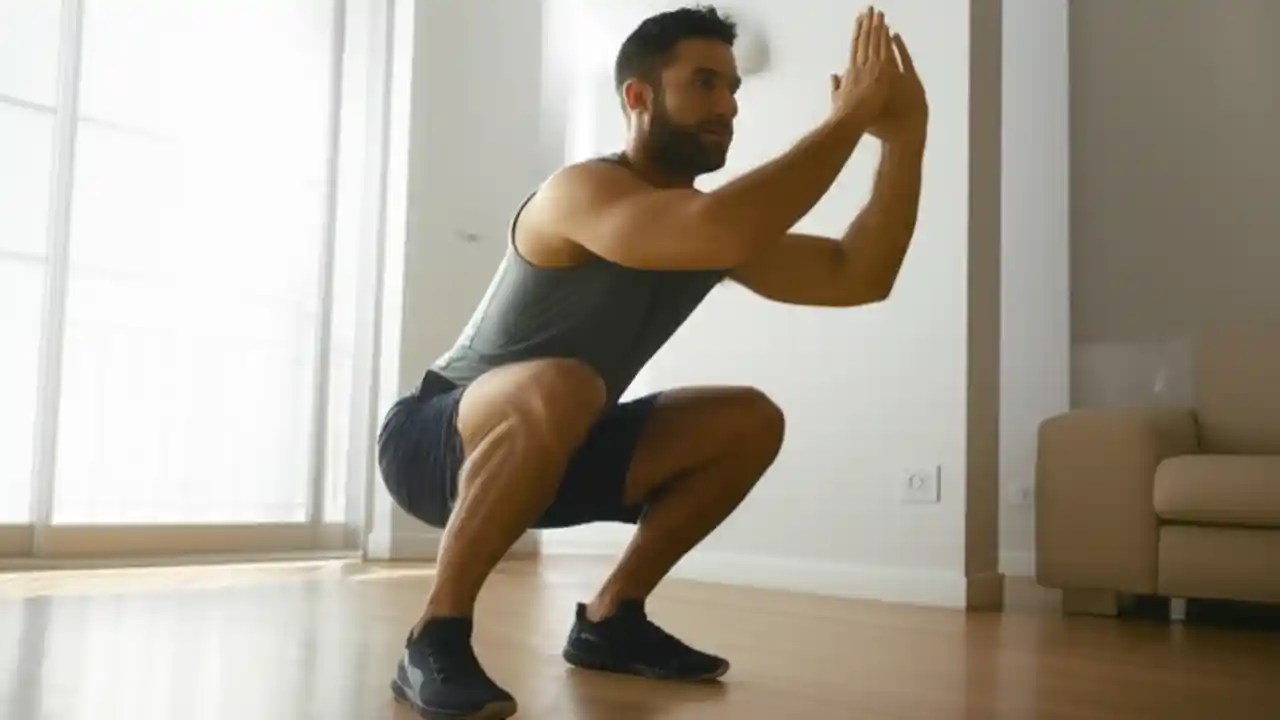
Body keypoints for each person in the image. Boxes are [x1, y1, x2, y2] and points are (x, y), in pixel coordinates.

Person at [377, 4, 927, 718]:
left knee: (748, 420)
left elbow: (858, 274)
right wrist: (848, 118)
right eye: (705, 83)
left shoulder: (708, 228)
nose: (728, 105)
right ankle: (434, 636)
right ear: (638, 96)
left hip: (564, 442)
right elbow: (720, 227)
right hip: (435, 442)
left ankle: (613, 619)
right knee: (564, 382)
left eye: (733, 88)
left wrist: (905, 139)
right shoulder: (581, 192)